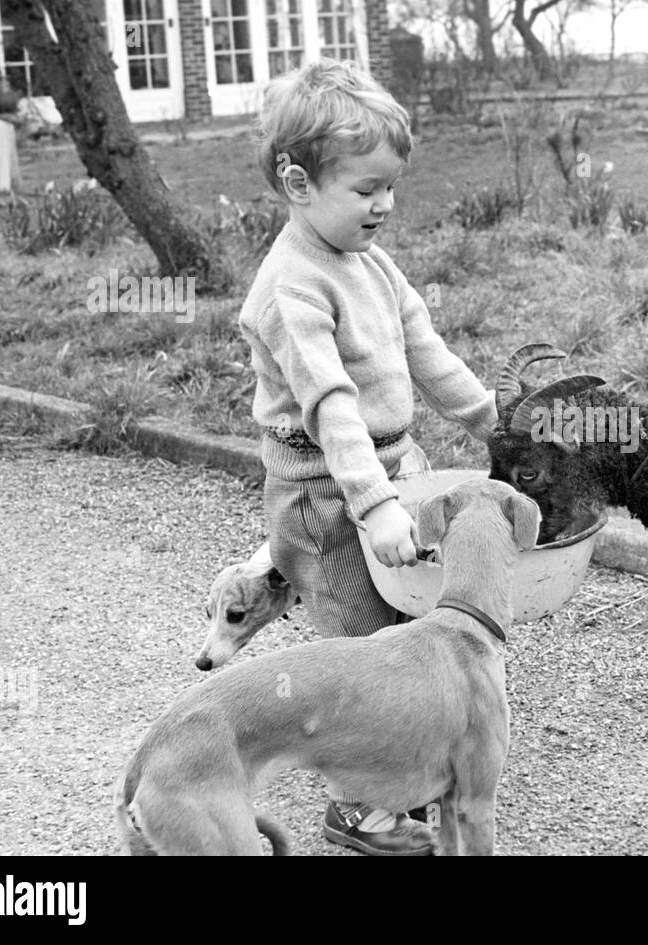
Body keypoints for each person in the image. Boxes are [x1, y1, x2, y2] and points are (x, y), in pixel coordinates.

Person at [239, 58, 497, 856]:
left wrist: (494, 418)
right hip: (326, 494)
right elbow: (330, 407)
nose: (384, 204)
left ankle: (417, 757)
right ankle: (358, 808)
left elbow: (427, 348)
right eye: (365, 189)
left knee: (412, 626)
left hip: (395, 465)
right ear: (297, 183)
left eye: (391, 186)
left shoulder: (372, 261)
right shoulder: (292, 285)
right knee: (360, 648)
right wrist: (375, 504)